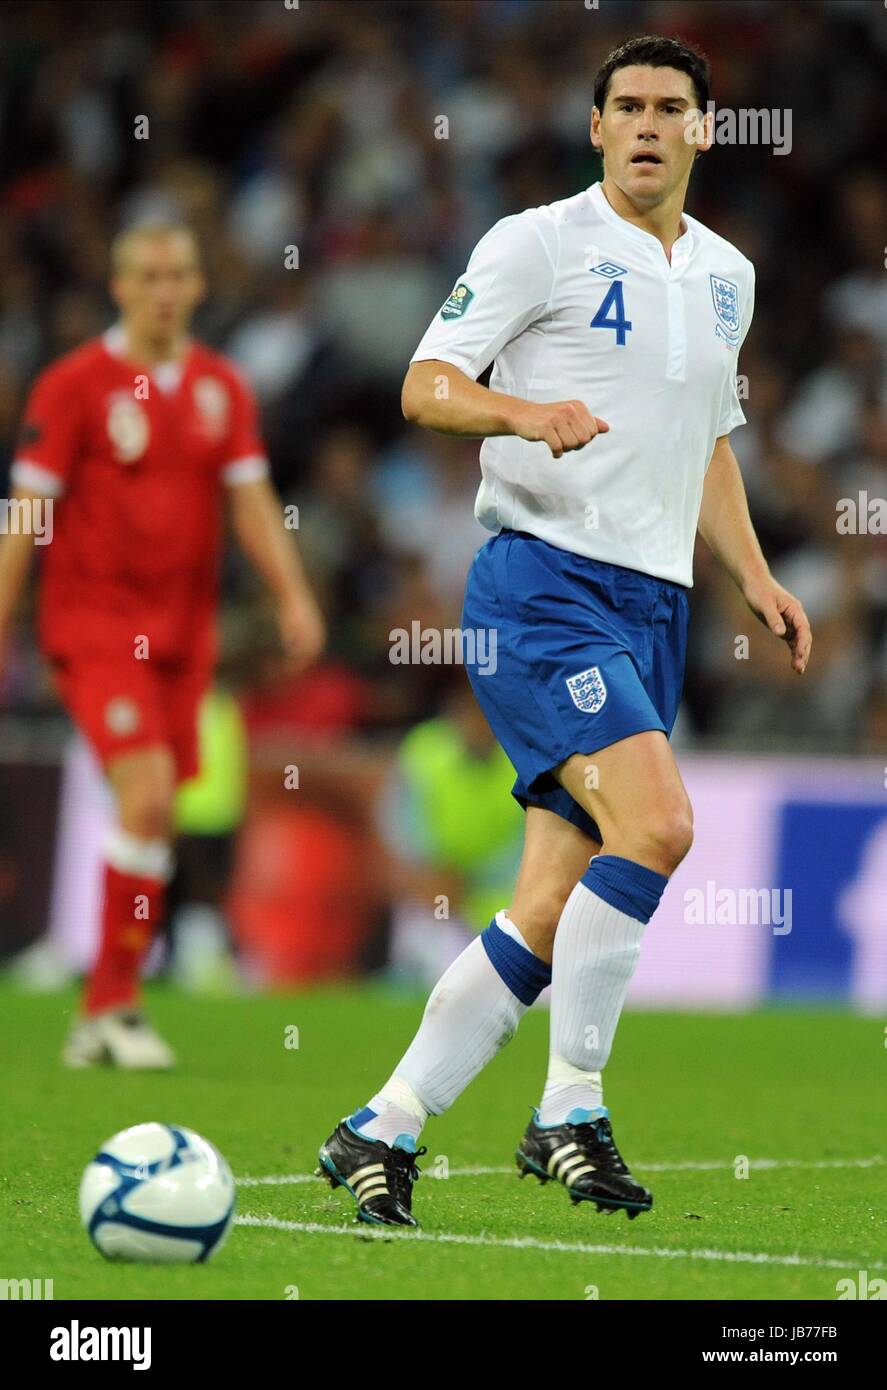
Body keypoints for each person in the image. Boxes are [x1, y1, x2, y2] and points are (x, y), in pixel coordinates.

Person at [317, 35, 812, 1226]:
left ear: (703, 130)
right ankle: (569, 1109)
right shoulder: (534, 240)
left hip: (653, 607)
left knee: (548, 897)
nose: (646, 123)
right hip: (542, 587)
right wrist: (518, 410)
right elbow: (424, 384)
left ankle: (379, 1129)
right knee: (657, 823)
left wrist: (750, 574)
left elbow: (706, 443)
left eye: (669, 108)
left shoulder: (727, 276)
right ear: (595, 127)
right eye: (625, 105)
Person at [0, 224, 325, 1068]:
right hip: (96, 629)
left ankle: (111, 1004)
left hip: (186, 641)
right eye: (147, 275)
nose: (164, 290)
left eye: (178, 274)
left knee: (156, 817)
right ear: (118, 286)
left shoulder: (223, 388)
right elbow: (28, 510)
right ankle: (110, 1005)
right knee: (144, 796)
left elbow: (252, 501)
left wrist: (292, 594)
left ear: (197, 285)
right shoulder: (74, 385)